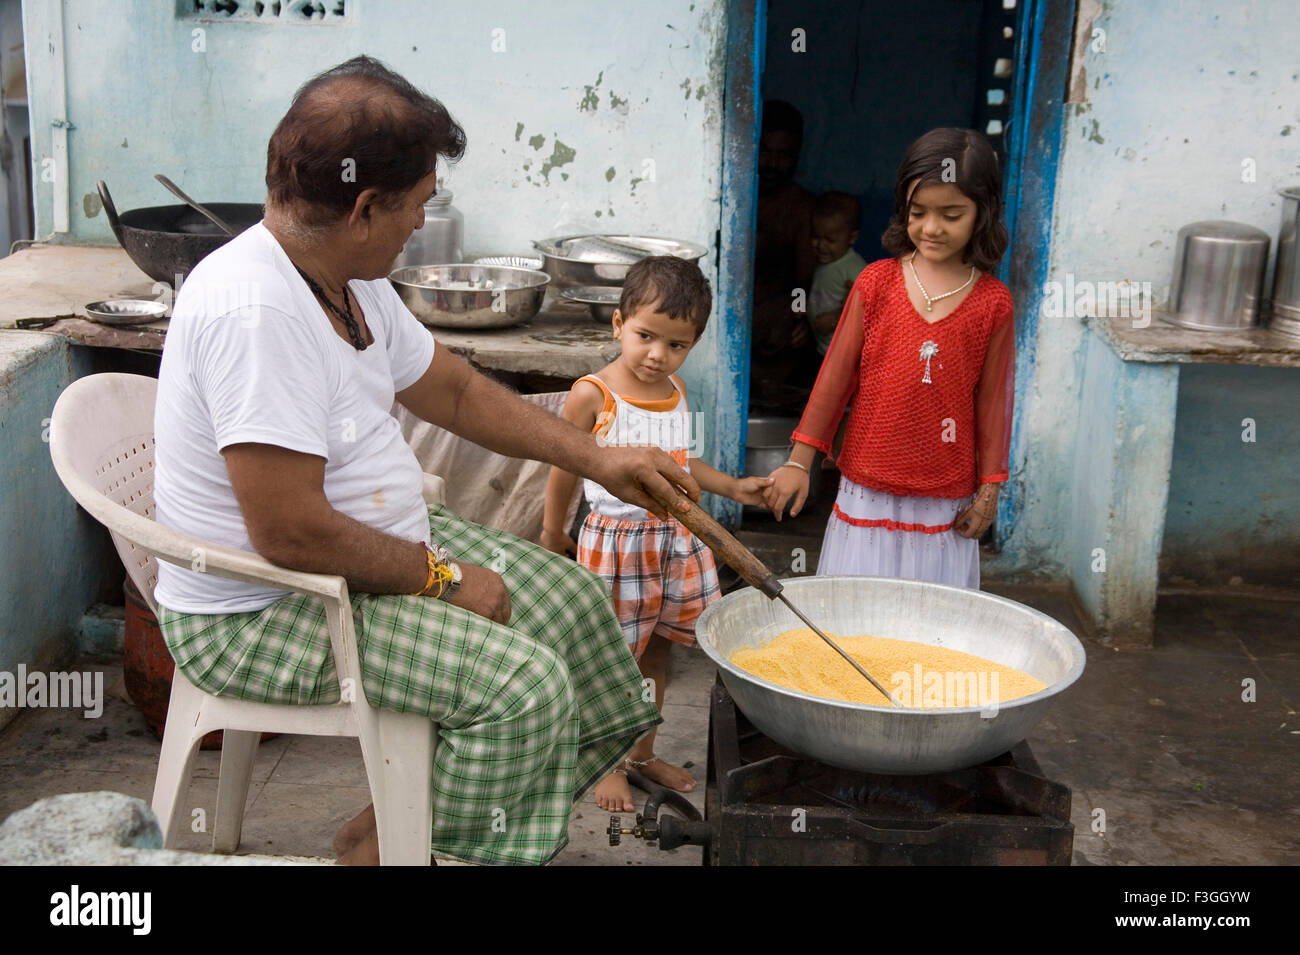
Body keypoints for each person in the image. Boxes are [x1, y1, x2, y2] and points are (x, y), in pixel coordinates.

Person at [150, 56, 698, 866]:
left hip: (366, 552)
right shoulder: (255, 311)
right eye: (418, 206)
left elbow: (454, 391)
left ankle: (387, 832)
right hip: (264, 610)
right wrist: (441, 577)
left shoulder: (347, 276)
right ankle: (427, 850)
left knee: (577, 605)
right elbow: (290, 532)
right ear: (365, 207)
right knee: (523, 688)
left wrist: (599, 457)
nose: (420, 223)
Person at [540, 256, 772, 813]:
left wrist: (735, 488)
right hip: (615, 546)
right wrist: (551, 529)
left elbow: (685, 465)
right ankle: (608, 764)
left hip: (675, 544)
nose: (657, 355)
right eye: (646, 336)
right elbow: (562, 465)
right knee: (611, 663)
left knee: (656, 661)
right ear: (619, 324)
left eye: (676, 344)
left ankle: (643, 755)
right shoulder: (592, 394)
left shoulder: (677, 391)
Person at [766, 128, 1015, 589]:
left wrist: (990, 489)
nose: (932, 228)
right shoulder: (876, 283)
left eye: (952, 214)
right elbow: (834, 379)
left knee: (927, 626)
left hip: (946, 495)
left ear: (983, 214)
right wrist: (799, 462)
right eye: (918, 213)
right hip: (868, 486)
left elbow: (993, 400)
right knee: (857, 618)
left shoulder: (993, 303)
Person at [751, 100, 816, 403]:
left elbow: (805, 280)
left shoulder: (800, 206)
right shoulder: (729, 198)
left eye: (784, 155)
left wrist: (801, 317)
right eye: (765, 152)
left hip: (778, 336)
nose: (773, 164)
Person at [808, 191, 867, 357]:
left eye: (830, 240)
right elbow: (801, 289)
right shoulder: (818, 262)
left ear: (852, 238)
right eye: (815, 237)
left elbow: (868, 308)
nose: (821, 245)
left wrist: (836, 319)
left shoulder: (854, 268)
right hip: (820, 347)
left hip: (842, 354)